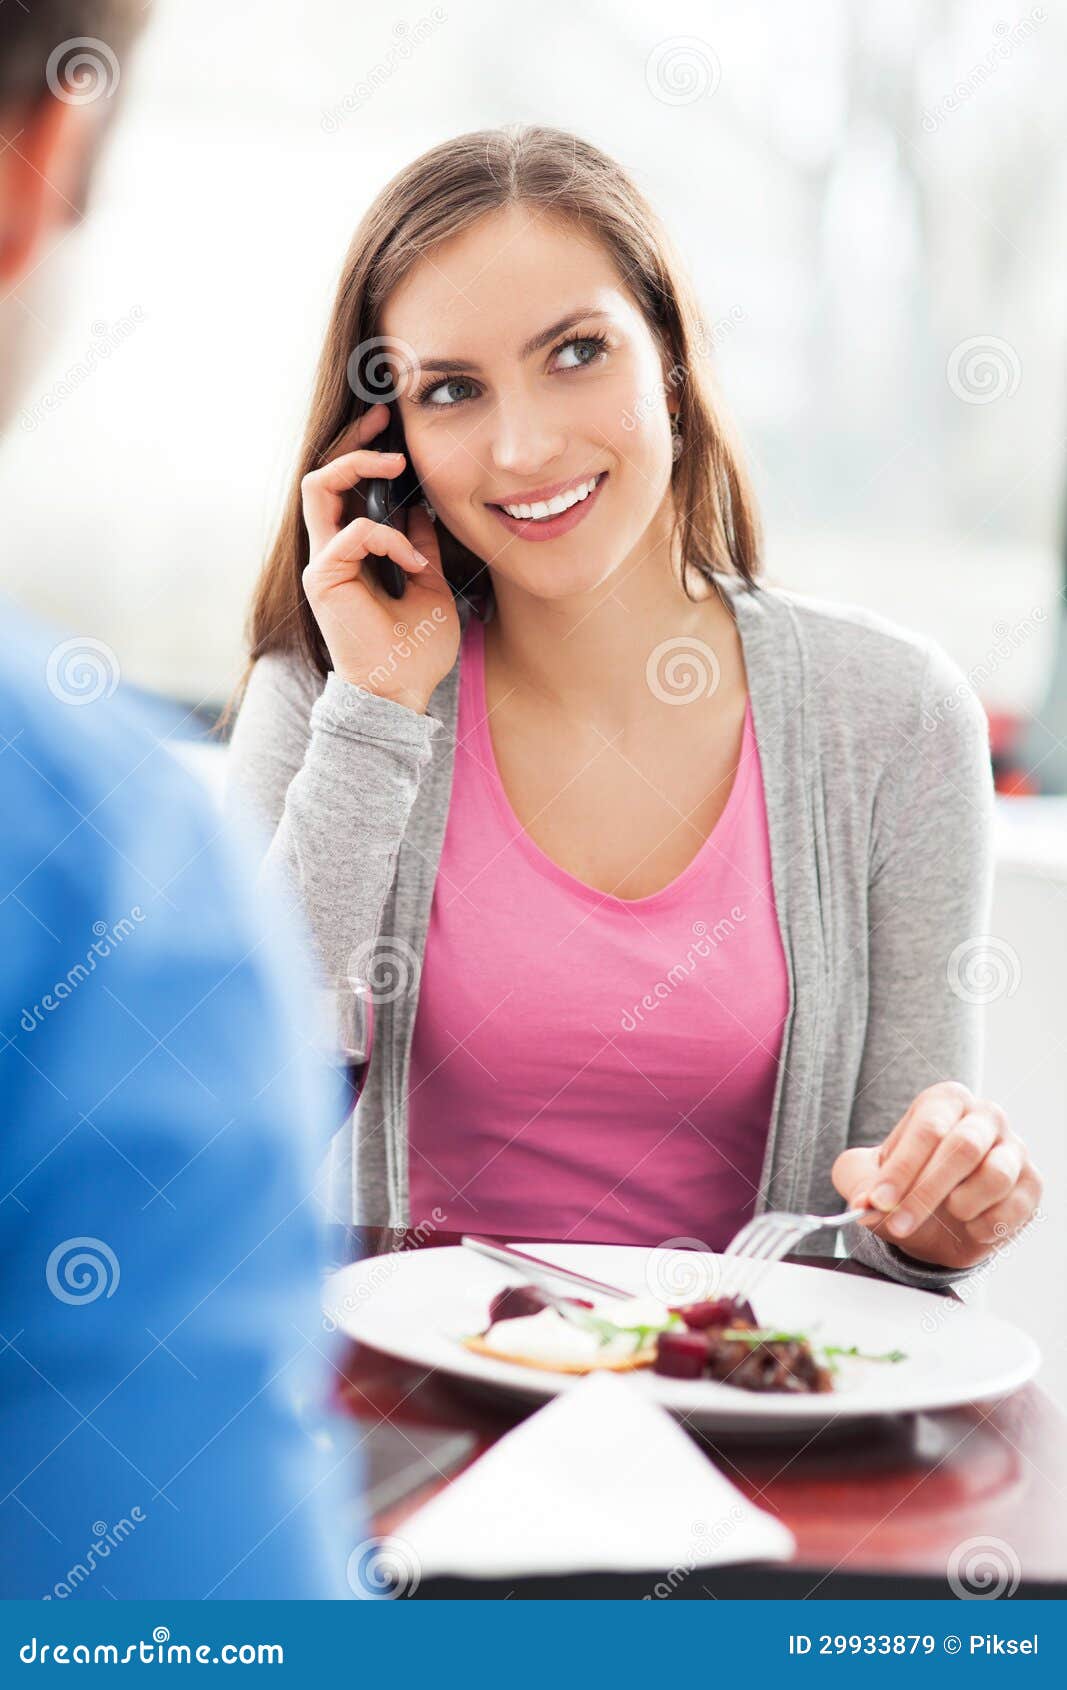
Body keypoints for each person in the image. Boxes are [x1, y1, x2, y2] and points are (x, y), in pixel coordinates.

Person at [225, 124, 1042, 1291]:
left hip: (737, 1420)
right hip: (398, 1410)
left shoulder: (893, 719)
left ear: (666, 352)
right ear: (389, 443)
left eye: (573, 352)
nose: (521, 445)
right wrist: (377, 712)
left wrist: (933, 1220)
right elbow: (225, 1114)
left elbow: (883, 1253)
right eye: (451, 390)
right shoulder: (330, 691)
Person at [0, 2, 356, 1598]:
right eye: (433, 390)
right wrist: (385, 715)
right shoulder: (107, 863)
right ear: (40, 155)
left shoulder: (861, 710)